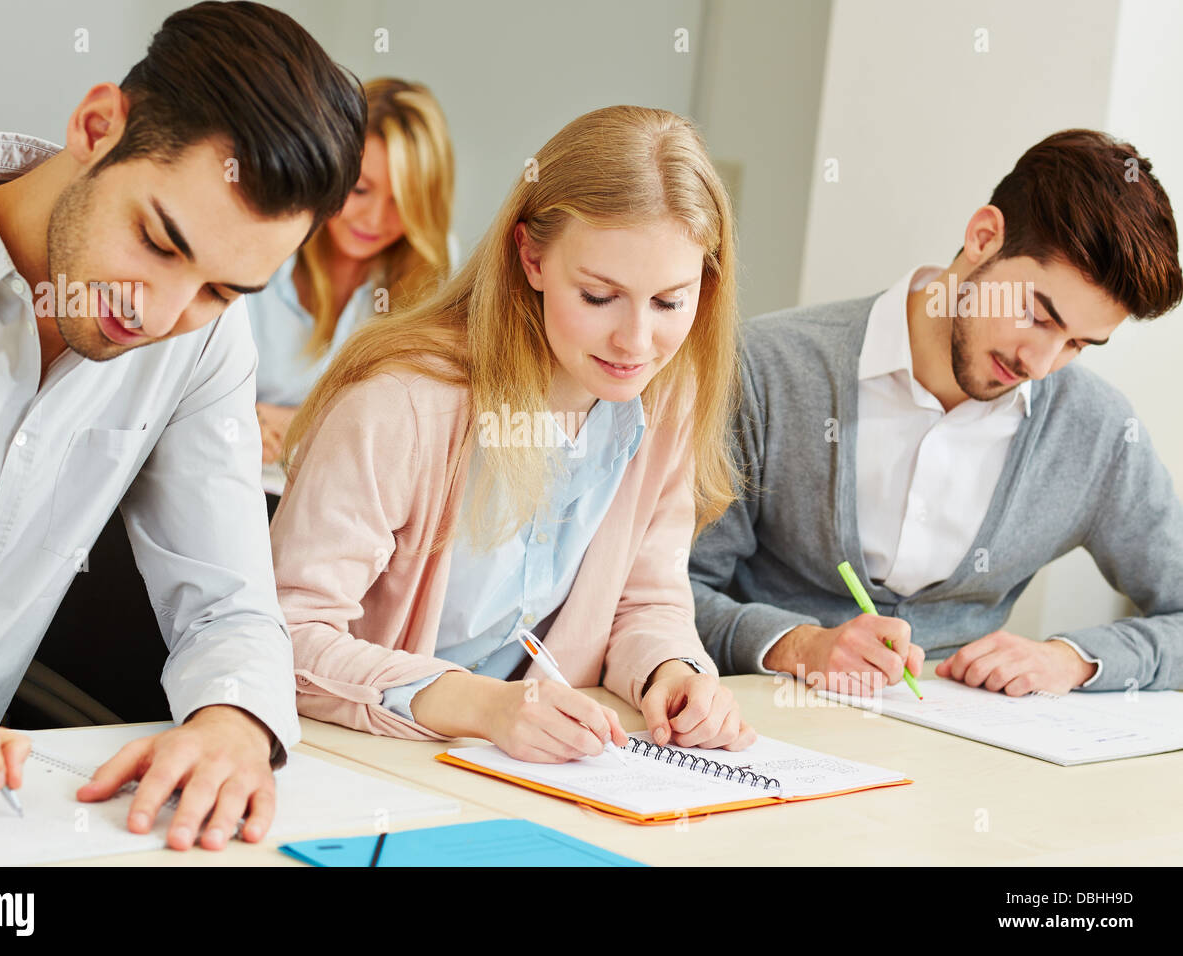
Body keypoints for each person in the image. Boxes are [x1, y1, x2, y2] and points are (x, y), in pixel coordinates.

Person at [0, 1, 366, 850]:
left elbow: (229, 607)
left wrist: (233, 721)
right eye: (157, 240)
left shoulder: (203, 343)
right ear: (97, 126)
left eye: (223, 289)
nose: (161, 315)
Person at [270, 105, 755, 762]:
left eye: (670, 301)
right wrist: (481, 705)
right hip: (367, 759)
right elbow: (287, 633)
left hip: (528, 768)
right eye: (598, 296)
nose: (636, 342)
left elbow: (646, 598)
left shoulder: (666, 397)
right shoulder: (402, 406)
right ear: (530, 256)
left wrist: (673, 674)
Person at [690, 129, 1183, 698]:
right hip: (760, 732)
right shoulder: (768, 368)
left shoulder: (1094, 431)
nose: (1041, 364)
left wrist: (1072, 659)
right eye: (1037, 315)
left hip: (960, 762)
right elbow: (661, 594)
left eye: (1078, 344)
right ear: (983, 237)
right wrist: (796, 644)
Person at [250, 78, 456, 465]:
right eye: (360, 189)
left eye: (403, 202)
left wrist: (300, 426)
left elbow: (423, 427)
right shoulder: (265, 244)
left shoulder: (437, 270)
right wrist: (240, 422)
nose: (375, 220)